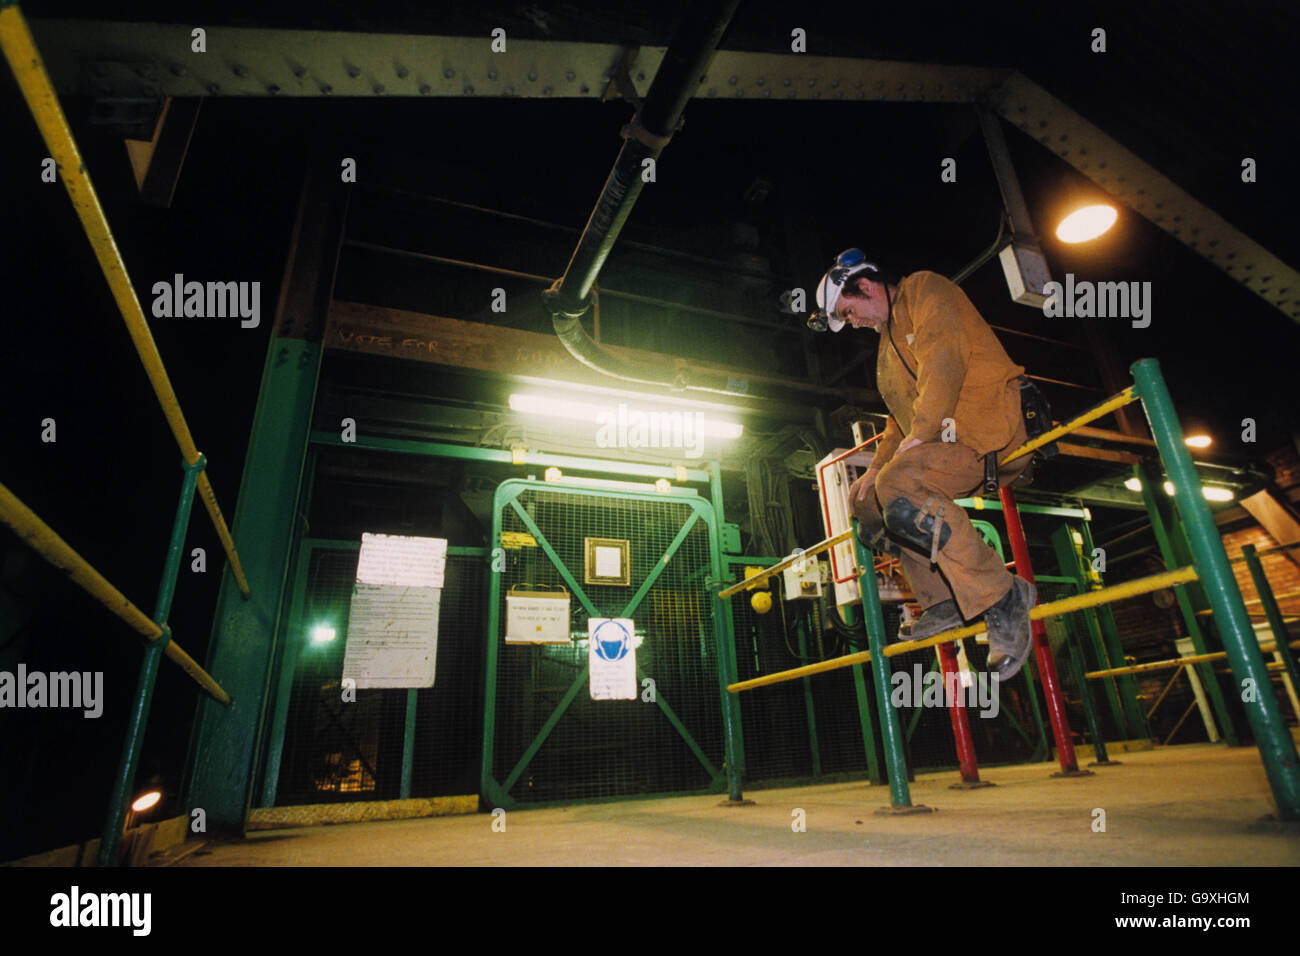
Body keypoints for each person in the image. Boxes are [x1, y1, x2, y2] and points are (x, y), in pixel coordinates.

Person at [810, 248, 1037, 679]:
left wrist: (920, 435)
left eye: (849, 310)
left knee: (900, 483)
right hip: (947, 445)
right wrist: (875, 469)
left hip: (991, 429)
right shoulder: (886, 350)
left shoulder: (925, 289)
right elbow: (900, 418)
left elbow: (944, 360)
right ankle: (943, 600)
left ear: (866, 284)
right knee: (868, 504)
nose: (852, 322)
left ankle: (1003, 597)